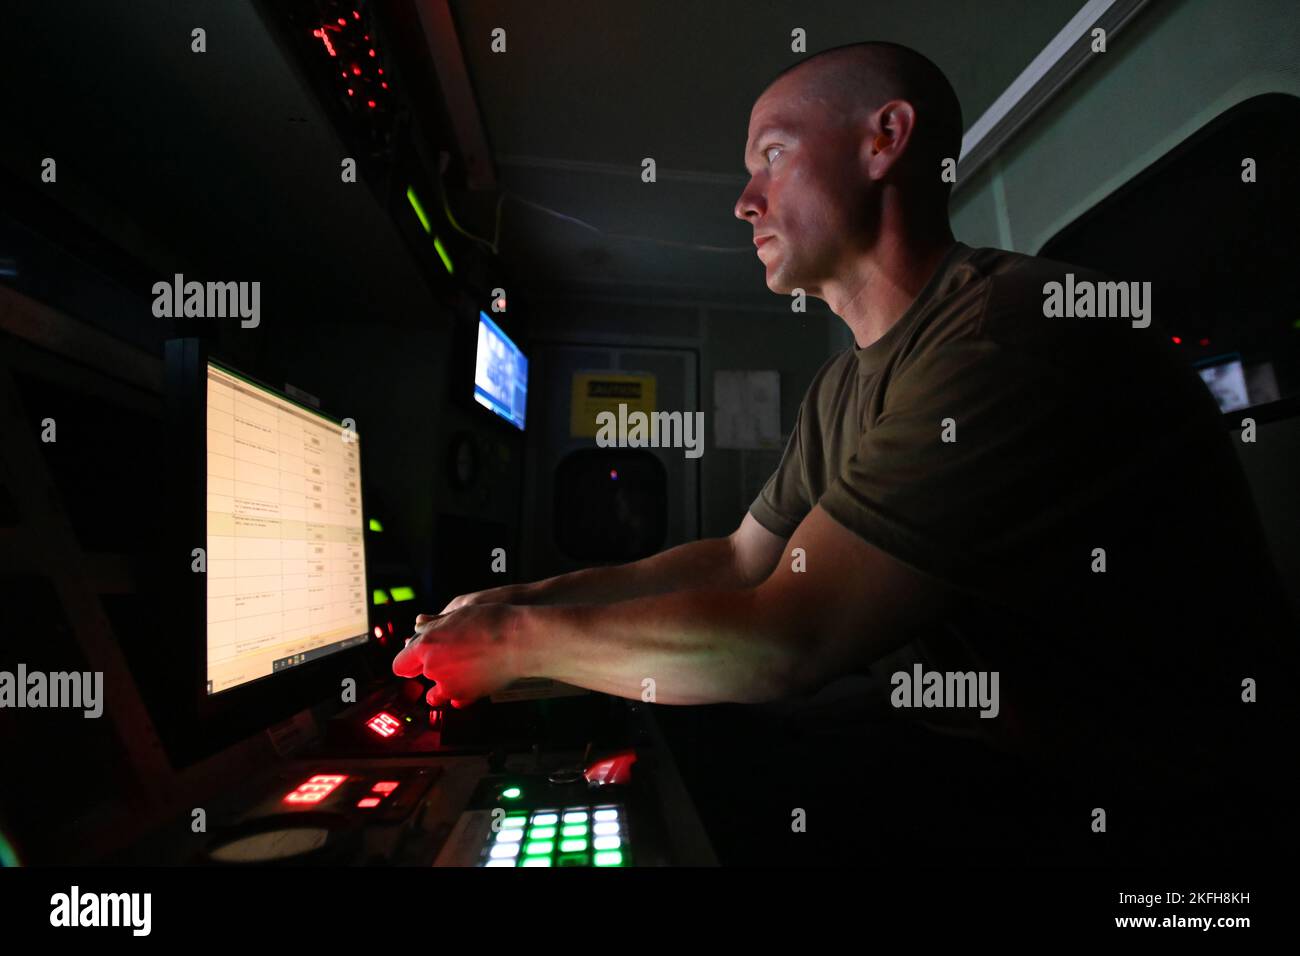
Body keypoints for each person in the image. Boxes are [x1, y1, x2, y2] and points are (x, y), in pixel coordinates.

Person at [395, 42, 1297, 863]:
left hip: (1161, 809)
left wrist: (512, 644)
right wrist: (523, 598)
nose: (745, 201)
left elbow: (789, 635)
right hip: (980, 748)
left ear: (885, 140)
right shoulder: (842, 387)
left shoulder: (1003, 336)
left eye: (772, 156)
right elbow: (742, 559)